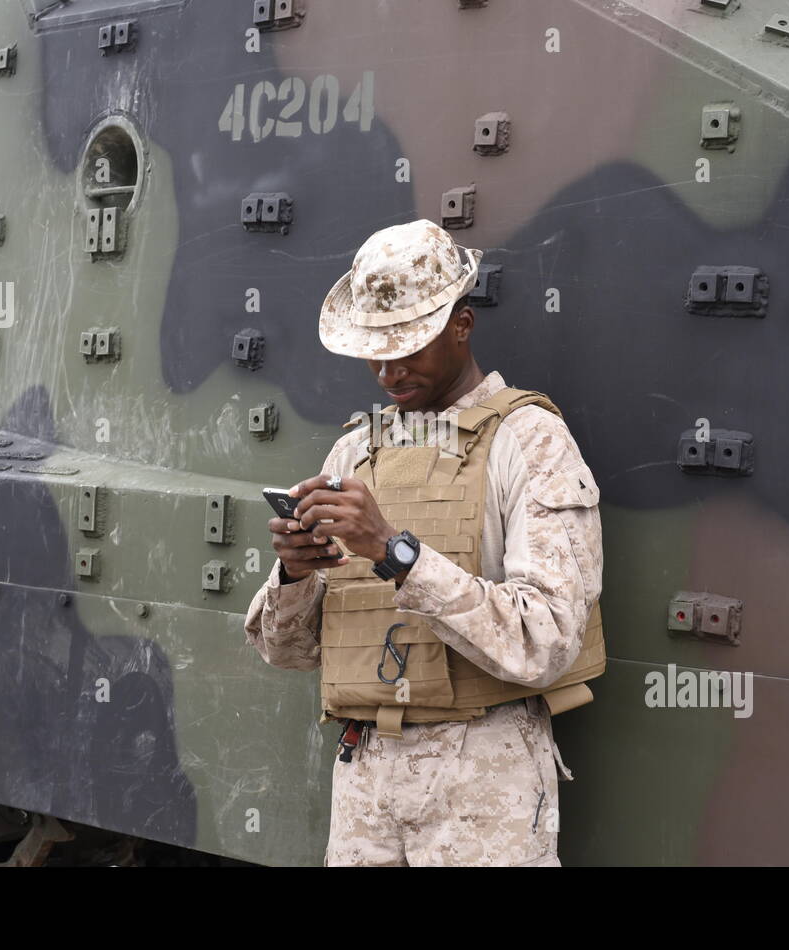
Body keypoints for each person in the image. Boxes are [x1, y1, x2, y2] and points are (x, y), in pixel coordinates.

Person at [243, 218, 606, 866]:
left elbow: (548, 639)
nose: (387, 369)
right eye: (374, 348)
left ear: (461, 325)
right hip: (365, 782)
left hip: (481, 785)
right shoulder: (356, 450)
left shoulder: (529, 441)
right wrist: (295, 575)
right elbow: (287, 653)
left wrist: (392, 551)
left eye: (408, 344)